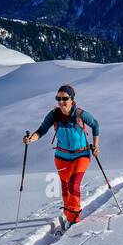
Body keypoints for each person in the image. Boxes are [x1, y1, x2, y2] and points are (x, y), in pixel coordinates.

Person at [24, 84, 100, 229]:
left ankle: (74, 218)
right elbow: (41, 130)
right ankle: (68, 215)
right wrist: (30, 139)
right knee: (65, 188)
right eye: (58, 98)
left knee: (73, 185)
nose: (61, 102)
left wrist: (96, 145)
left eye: (64, 98)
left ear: (72, 99)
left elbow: (95, 124)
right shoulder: (54, 115)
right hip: (61, 156)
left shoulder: (80, 114)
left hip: (81, 155)